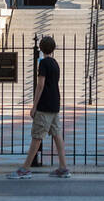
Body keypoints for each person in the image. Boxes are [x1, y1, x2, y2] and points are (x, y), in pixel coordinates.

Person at [8, 36, 69, 179]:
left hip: (45, 104)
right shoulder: (55, 63)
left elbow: (40, 84)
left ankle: (25, 168)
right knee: (57, 134)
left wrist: (34, 105)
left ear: (41, 48)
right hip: (55, 102)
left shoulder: (43, 63)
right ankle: (63, 167)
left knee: (37, 136)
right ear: (53, 48)